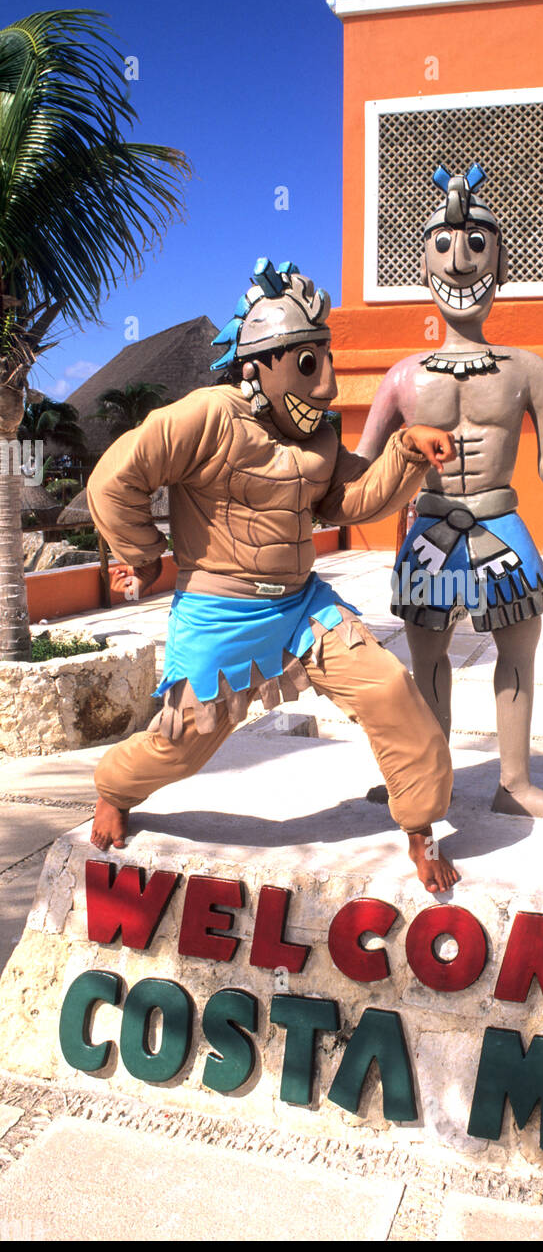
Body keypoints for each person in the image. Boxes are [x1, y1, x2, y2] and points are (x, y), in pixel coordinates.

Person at [87, 258, 459, 893]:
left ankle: (421, 830)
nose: (327, 385)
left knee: (390, 687)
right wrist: (143, 553)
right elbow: (115, 476)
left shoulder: (317, 441)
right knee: (181, 746)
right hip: (221, 613)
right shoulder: (204, 416)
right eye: (309, 363)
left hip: (302, 607)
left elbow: (348, 501)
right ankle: (114, 790)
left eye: (327, 359)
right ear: (259, 364)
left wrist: (404, 450)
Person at [358, 167, 543, 822]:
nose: (459, 264)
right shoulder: (400, 377)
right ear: (422, 268)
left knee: (518, 646)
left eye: (477, 246)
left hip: (499, 522)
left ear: (500, 267)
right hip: (429, 530)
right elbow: (358, 468)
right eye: (445, 248)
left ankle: (514, 783)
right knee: (425, 655)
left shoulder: (529, 370)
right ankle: (428, 778)